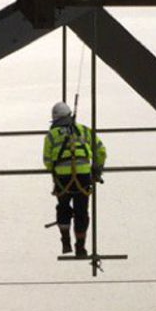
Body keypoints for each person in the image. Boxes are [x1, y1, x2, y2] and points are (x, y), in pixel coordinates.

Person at [43, 102, 106, 258]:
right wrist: (97, 170)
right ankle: (81, 247)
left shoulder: (52, 135)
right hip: (83, 177)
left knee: (63, 208)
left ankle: (65, 241)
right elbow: (101, 150)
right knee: (81, 212)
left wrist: (55, 170)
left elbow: (47, 160)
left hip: (62, 179)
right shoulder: (84, 130)